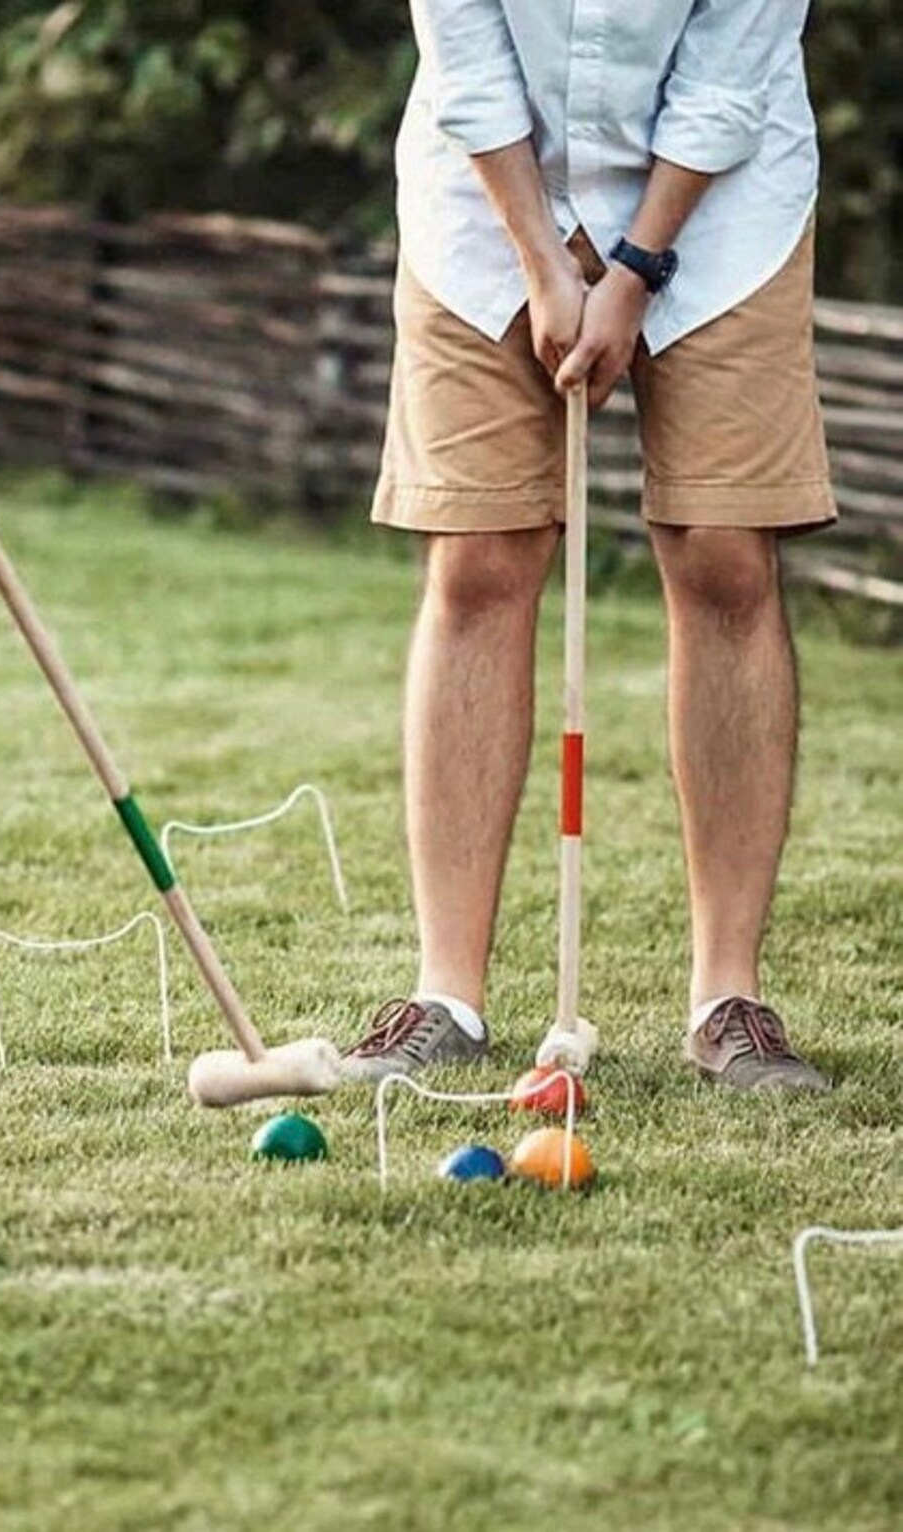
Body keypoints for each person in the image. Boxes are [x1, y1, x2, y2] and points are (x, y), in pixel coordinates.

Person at [342, 0, 832, 1091]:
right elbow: (462, 49)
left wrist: (631, 268)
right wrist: (537, 253)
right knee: (478, 559)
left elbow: (727, 68)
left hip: (721, 207)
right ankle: (445, 994)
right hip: (482, 196)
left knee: (723, 554)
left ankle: (727, 996)